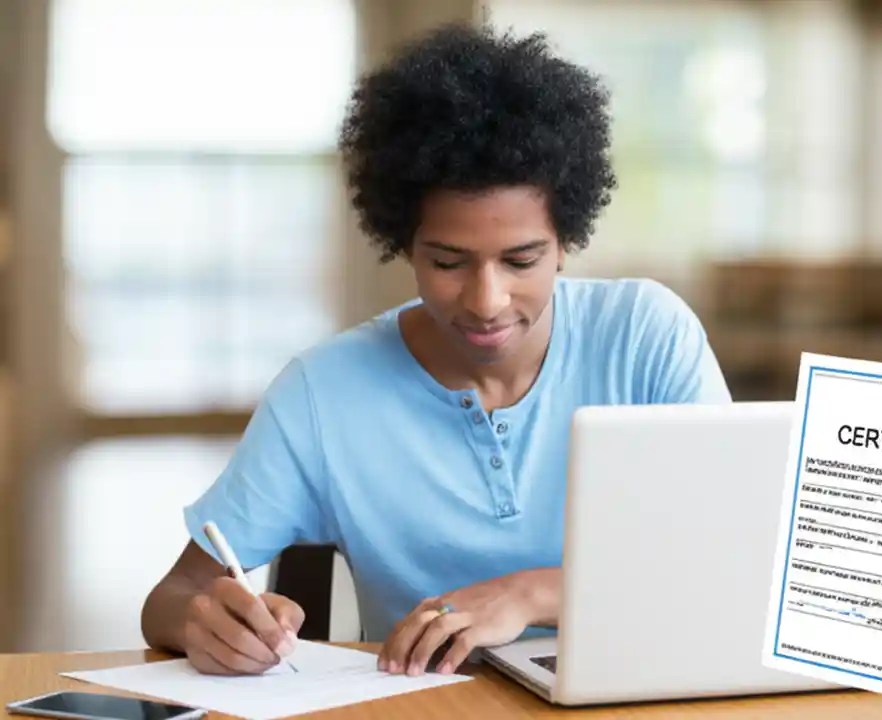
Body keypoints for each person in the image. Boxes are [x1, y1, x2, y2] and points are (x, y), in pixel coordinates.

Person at [139, 21, 731, 678]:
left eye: (521, 259)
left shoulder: (645, 337)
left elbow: (730, 561)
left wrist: (530, 592)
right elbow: (170, 598)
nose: (486, 300)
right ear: (404, 242)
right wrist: (207, 624)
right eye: (448, 261)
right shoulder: (324, 392)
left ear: (566, 240)